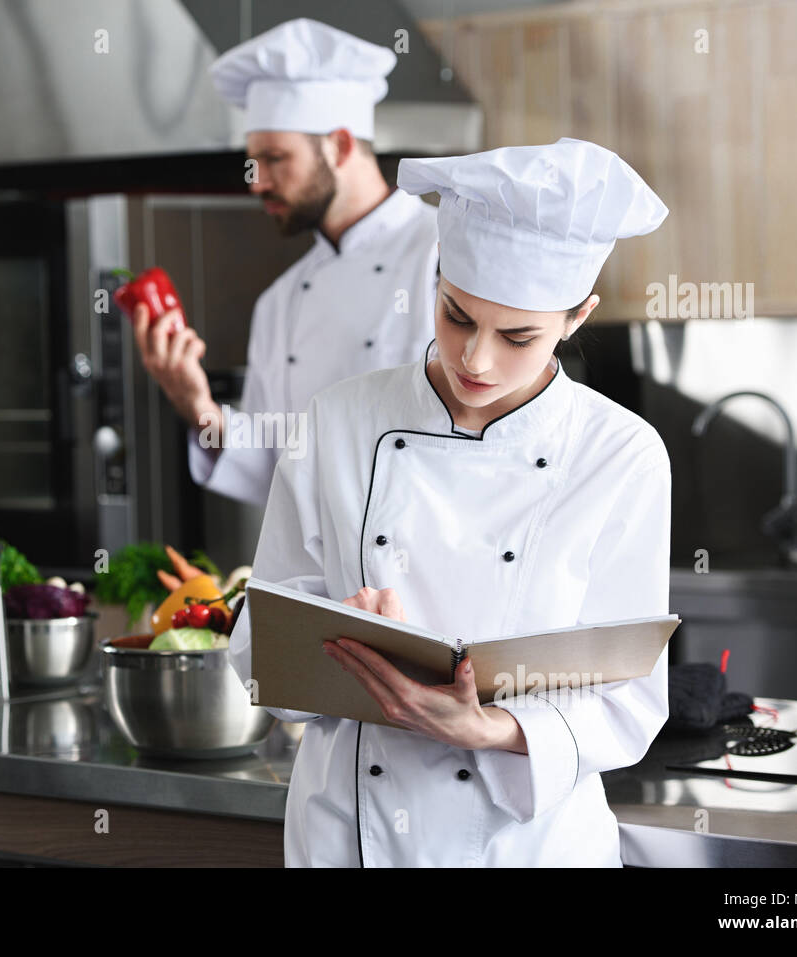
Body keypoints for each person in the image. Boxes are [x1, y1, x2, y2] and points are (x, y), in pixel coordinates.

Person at [228, 138, 673, 866]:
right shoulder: (337, 420)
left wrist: (489, 727)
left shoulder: (619, 454)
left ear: (576, 316)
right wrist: (336, 639)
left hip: (525, 847)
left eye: (519, 335)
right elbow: (257, 644)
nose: (477, 359)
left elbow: (630, 697)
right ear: (435, 280)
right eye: (458, 315)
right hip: (347, 833)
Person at [132, 18, 438, 507]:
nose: (257, 182)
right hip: (316, 578)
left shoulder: (442, 255)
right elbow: (276, 473)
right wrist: (197, 405)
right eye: (254, 162)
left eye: (275, 158)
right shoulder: (281, 301)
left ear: (339, 146)